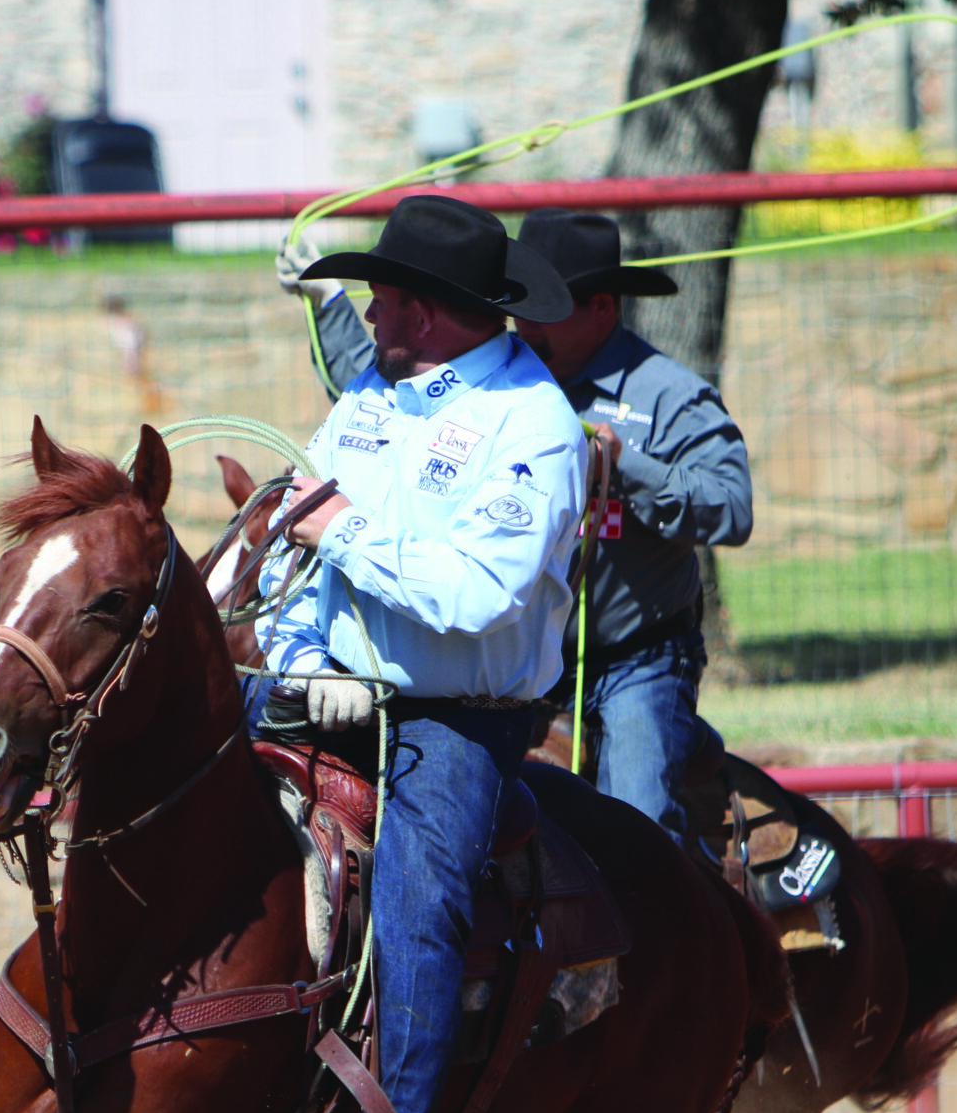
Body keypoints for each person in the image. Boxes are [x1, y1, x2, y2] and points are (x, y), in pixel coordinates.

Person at [256, 195, 586, 1113]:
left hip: (456, 718)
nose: (366, 311)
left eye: (382, 296)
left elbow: (477, 594)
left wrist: (343, 528)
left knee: (421, 891)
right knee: (150, 763)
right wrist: (300, 654)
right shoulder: (371, 392)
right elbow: (296, 544)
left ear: (431, 313)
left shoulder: (532, 426)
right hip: (326, 685)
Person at [282, 208, 754, 848]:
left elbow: (732, 506)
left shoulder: (668, 395)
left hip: (631, 649)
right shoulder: (487, 376)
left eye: (542, 311)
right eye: (516, 307)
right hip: (525, 652)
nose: (520, 325)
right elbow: (377, 383)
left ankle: (659, 927)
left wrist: (631, 469)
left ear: (602, 309)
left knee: (636, 821)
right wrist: (331, 304)